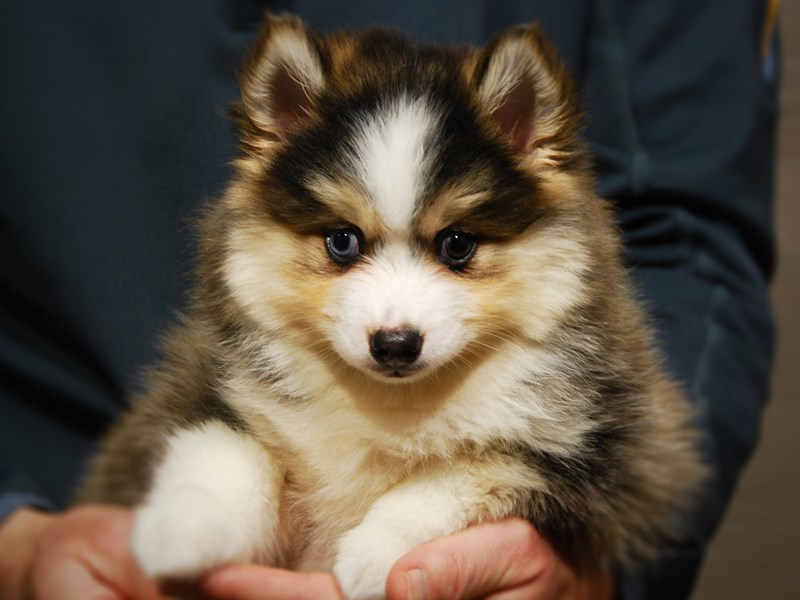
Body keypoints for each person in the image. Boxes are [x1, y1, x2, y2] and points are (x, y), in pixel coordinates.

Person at [0, 1, 778, 598]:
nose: (394, 324)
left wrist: (590, 571)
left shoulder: (551, 395)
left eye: (457, 246)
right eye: (344, 244)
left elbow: (690, 231)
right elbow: (226, 430)